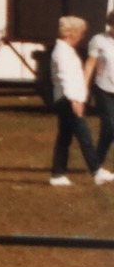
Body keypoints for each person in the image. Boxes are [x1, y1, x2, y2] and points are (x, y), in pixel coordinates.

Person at [49, 16, 114, 186]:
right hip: (68, 99)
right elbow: (65, 78)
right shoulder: (61, 52)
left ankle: (57, 174)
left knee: (65, 137)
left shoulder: (65, 49)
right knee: (84, 136)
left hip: (68, 98)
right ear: (71, 33)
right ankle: (96, 171)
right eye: (80, 32)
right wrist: (75, 100)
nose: (82, 36)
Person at [84, 10, 114, 168]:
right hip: (103, 87)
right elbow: (90, 64)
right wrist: (83, 87)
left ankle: (96, 161)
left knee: (108, 131)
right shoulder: (98, 40)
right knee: (110, 124)